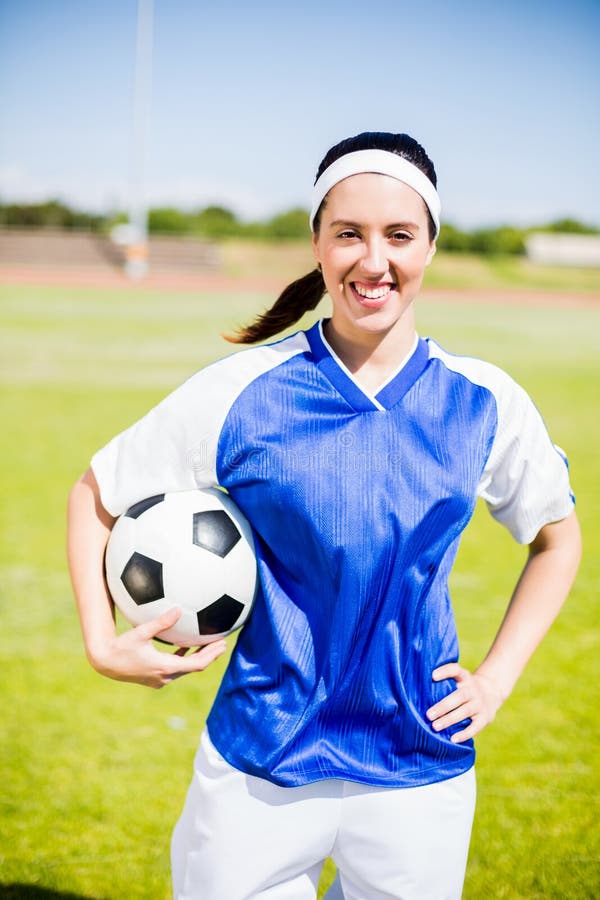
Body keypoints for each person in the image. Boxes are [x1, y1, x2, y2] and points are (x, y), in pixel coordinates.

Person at [67, 131, 581, 900]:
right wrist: (103, 642)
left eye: (399, 235)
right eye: (349, 234)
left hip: (418, 762)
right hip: (260, 760)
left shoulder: (485, 401)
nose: (374, 261)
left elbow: (557, 538)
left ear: (431, 245)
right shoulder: (243, 391)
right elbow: (95, 494)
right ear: (317, 242)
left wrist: (498, 679)